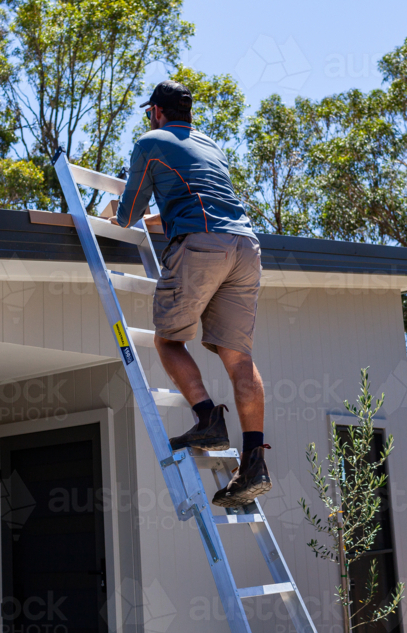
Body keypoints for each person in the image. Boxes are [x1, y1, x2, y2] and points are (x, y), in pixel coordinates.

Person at [115, 80, 270, 508]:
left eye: (151, 112)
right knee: (239, 359)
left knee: (168, 340)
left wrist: (115, 212)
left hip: (201, 244)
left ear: (157, 112)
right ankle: (254, 460)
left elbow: (128, 214)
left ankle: (206, 419)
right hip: (245, 246)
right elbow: (199, 195)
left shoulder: (150, 141)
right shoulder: (211, 145)